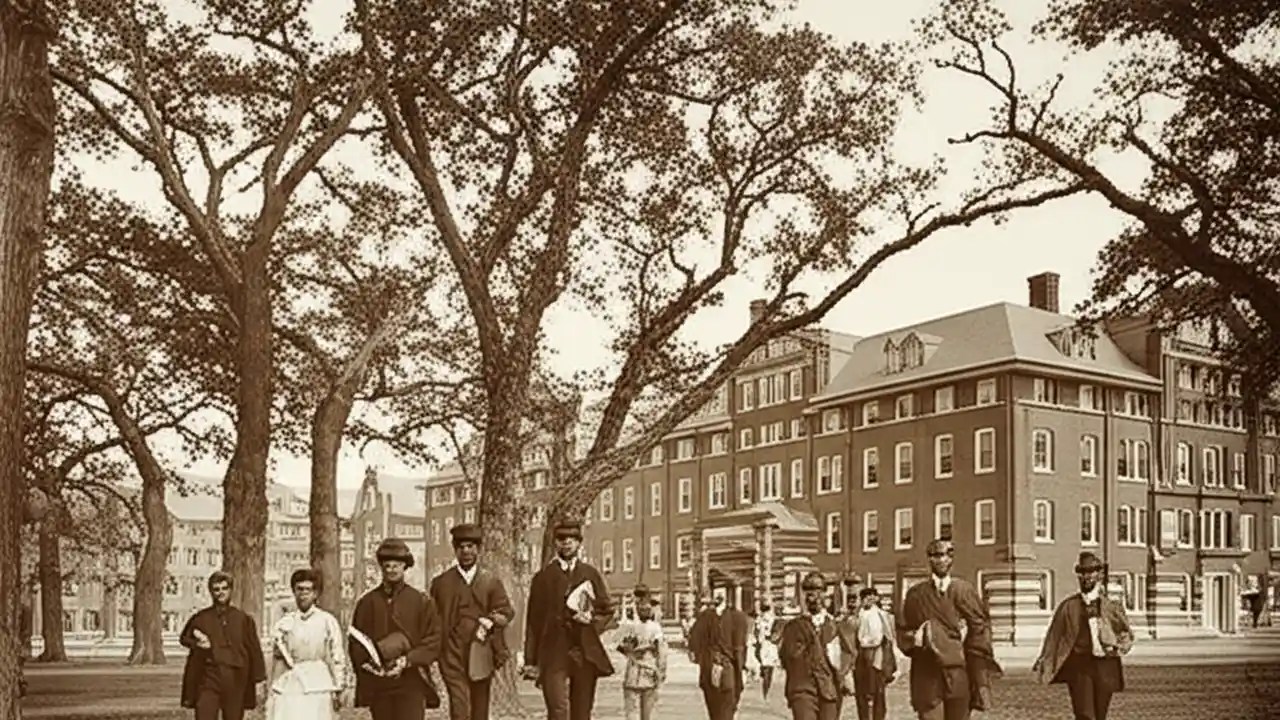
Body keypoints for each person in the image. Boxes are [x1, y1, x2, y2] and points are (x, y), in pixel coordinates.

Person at [897, 539, 1001, 720]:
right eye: (935, 556)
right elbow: (903, 629)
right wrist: (914, 639)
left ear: (951, 559)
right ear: (929, 559)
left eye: (944, 555)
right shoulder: (916, 594)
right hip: (927, 671)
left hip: (958, 672)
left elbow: (980, 628)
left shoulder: (964, 590)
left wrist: (971, 656)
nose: (940, 560)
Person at [522, 520, 615, 720]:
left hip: (584, 650)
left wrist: (591, 620)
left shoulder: (590, 574)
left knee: (582, 710)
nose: (566, 543)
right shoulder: (543, 577)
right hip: (552, 650)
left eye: (572, 539)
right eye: (562, 539)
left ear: (579, 543)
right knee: (557, 709)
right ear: (555, 544)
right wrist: (530, 660)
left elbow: (607, 610)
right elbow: (533, 622)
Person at [349, 537, 444, 720]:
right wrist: (370, 666)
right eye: (387, 565)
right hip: (379, 682)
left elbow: (434, 639)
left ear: (404, 567)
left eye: (396, 565)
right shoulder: (366, 603)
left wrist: (407, 661)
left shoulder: (421, 602)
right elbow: (356, 642)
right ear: (381, 568)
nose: (391, 569)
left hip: (412, 680)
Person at [429, 522, 515, 720]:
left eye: (470, 546)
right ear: (455, 550)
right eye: (461, 547)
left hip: (482, 651)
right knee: (460, 709)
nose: (466, 551)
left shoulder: (490, 581)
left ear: (478, 549)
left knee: (480, 708)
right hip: (452, 654)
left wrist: (491, 620)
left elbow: (506, 612)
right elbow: (432, 619)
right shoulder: (441, 583)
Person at [1032, 552, 1134, 720]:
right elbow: (1054, 636)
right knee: (1084, 714)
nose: (1086, 577)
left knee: (1100, 715)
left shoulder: (1112, 606)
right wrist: (1045, 659)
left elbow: (1126, 634)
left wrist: (1118, 646)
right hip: (1079, 666)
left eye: (1090, 572)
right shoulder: (1068, 606)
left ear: (1099, 575)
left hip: (1105, 666)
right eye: (1082, 573)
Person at [178, 572, 268, 720]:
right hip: (209, 677)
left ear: (230, 590)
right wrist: (199, 644)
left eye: (224, 588)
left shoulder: (243, 619)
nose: (221, 593)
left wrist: (259, 679)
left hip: (236, 678)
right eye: (216, 589)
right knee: (204, 714)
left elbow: (254, 650)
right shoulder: (201, 618)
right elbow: (184, 638)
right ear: (211, 592)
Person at [264, 568, 348, 720]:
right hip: (291, 682)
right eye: (299, 589)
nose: (303, 594)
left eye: (308, 590)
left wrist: (339, 686)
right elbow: (277, 659)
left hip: (318, 682)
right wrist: (271, 687)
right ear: (294, 592)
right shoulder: (285, 623)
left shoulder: (327, 621)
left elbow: (337, 655)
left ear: (315, 594)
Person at [777, 572, 854, 720]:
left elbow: (848, 654)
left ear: (826, 595)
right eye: (809, 593)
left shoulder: (834, 626)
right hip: (802, 689)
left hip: (829, 690)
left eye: (819, 592)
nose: (815, 597)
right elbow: (786, 658)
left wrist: (842, 672)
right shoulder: (793, 627)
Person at [687, 584, 750, 720]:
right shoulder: (738, 618)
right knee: (728, 710)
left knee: (714, 713)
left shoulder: (703, 618)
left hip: (708, 669)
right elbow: (740, 648)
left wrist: (703, 659)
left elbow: (693, 646)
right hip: (728, 670)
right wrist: (742, 670)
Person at [616, 584, 668, 720]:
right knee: (647, 713)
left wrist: (630, 653)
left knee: (632, 711)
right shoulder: (655, 628)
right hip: (649, 671)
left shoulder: (629, 626)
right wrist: (661, 671)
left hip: (634, 672)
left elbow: (620, 646)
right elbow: (661, 651)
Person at [845, 587, 898, 720]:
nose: (869, 599)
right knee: (862, 691)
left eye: (872, 596)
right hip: (860, 655)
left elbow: (889, 637)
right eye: (866, 597)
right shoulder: (857, 616)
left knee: (877, 691)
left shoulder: (882, 615)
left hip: (877, 654)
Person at [754, 603, 782, 700]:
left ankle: (765, 690)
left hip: (763, 645)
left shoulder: (759, 619)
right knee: (769, 669)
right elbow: (777, 633)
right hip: (770, 645)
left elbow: (756, 632)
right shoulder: (772, 619)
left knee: (766, 666)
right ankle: (766, 689)